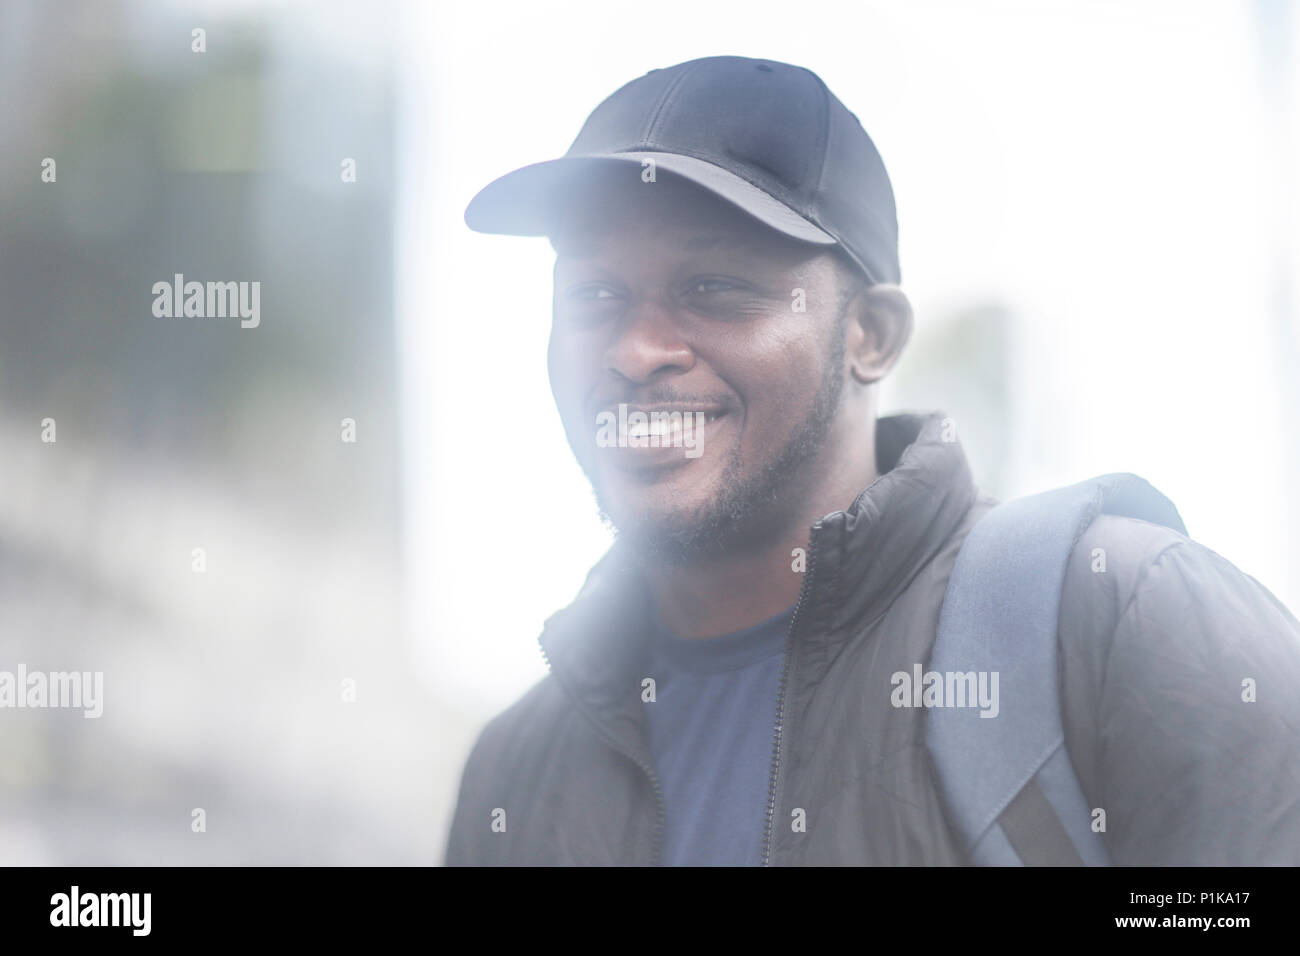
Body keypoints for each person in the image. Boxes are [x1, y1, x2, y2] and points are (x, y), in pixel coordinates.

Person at [444, 55, 1300, 865]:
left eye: (713, 289)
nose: (635, 350)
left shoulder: (1125, 624)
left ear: (871, 335)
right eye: (595, 295)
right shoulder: (516, 770)